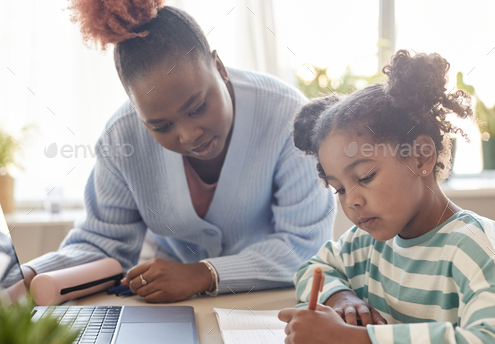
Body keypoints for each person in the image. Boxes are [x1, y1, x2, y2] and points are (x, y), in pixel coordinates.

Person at [22, 1, 334, 303]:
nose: (188, 135)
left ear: (219, 67)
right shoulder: (121, 137)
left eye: (198, 107)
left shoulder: (286, 114)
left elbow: (304, 244)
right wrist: (29, 273)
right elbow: (105, 242)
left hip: (267, 304)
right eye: (160, 126)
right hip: (168, 304)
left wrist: (203, 274)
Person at [278, 49, 495, 344]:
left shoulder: (468, 243)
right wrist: (341, 299)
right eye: (338, 189)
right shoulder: (365, 241)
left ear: (422, 157)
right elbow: (312, 269)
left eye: (364, 177)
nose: (351, 200)